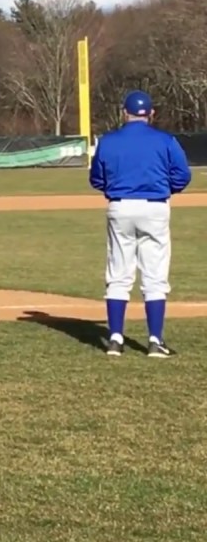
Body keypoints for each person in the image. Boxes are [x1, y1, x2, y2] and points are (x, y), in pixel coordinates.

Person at [88, 90, 192, 357]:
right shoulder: (165, 140)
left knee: (119, 274)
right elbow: (182, 175)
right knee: (155, 276)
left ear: (125, 112)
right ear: (151, 113)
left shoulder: (108, 142)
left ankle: (114, 339)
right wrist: (164, 188)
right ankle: (155, 341)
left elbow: (97, 179)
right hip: (155, 206)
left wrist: (115, 188)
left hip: (120, 206)